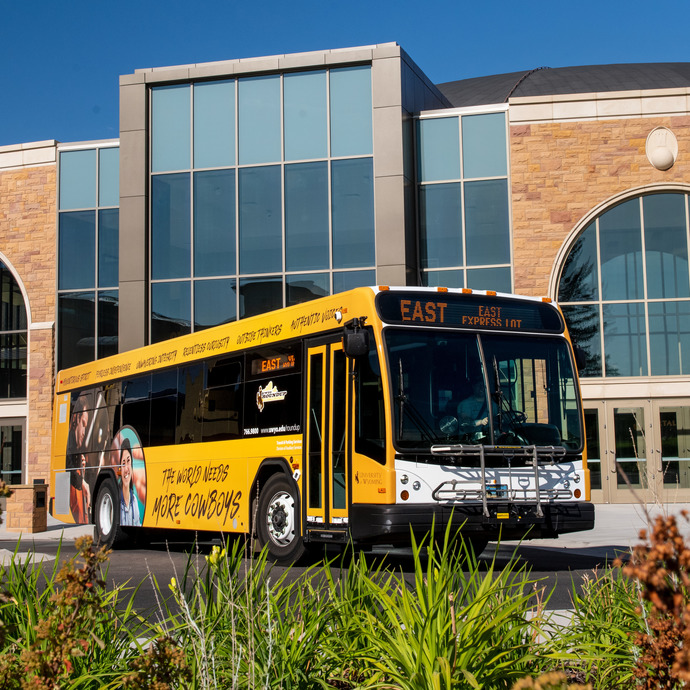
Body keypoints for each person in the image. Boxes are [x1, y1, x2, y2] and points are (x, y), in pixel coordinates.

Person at [68, 395, 91, 522]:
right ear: (76, 418)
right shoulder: (68, 442)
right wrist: (81, 481)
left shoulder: (78, 450)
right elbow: (67, 465)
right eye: (83, 424)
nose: (84, 432)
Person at [119, 438, 141, 527]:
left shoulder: (134, 500)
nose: (126, 468)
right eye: (123, 463)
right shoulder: (117, 499)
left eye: (128, 461)